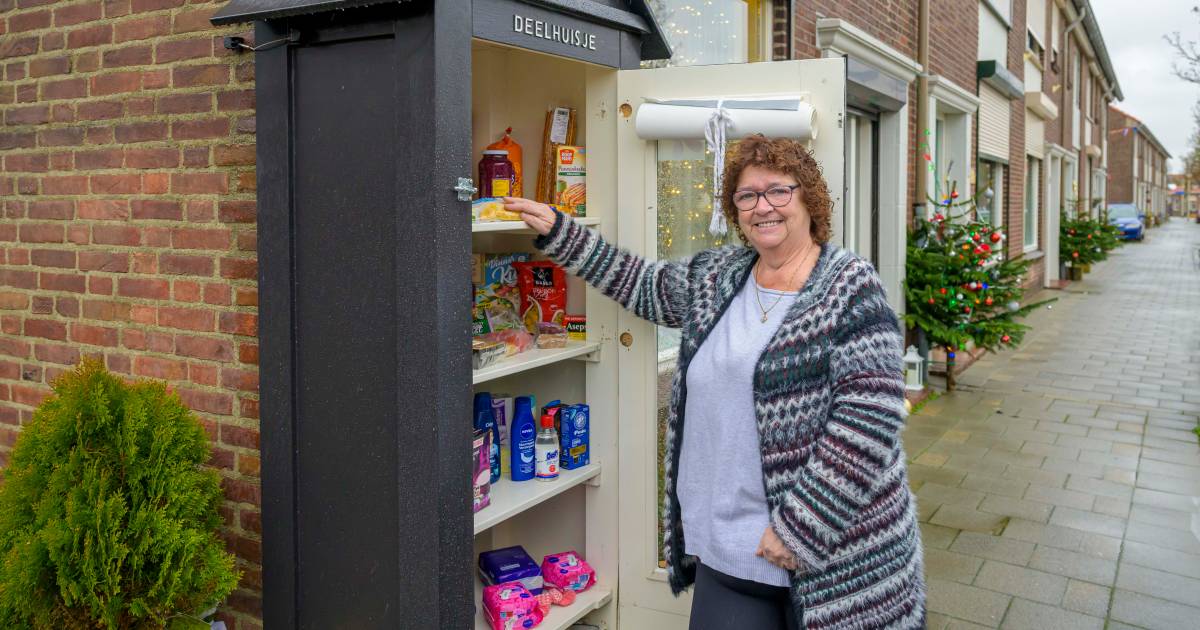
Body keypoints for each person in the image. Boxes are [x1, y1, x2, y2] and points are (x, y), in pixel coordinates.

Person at [503, 135, 925, 629]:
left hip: (838, 559)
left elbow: (870, 420)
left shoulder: (849, 288)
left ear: (809, 197)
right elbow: (643, 285)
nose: (762, 207)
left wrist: (799, 528)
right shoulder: (719, 276)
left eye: (778, 191)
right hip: (728, 551)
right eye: (747, 196)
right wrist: (562, 232)